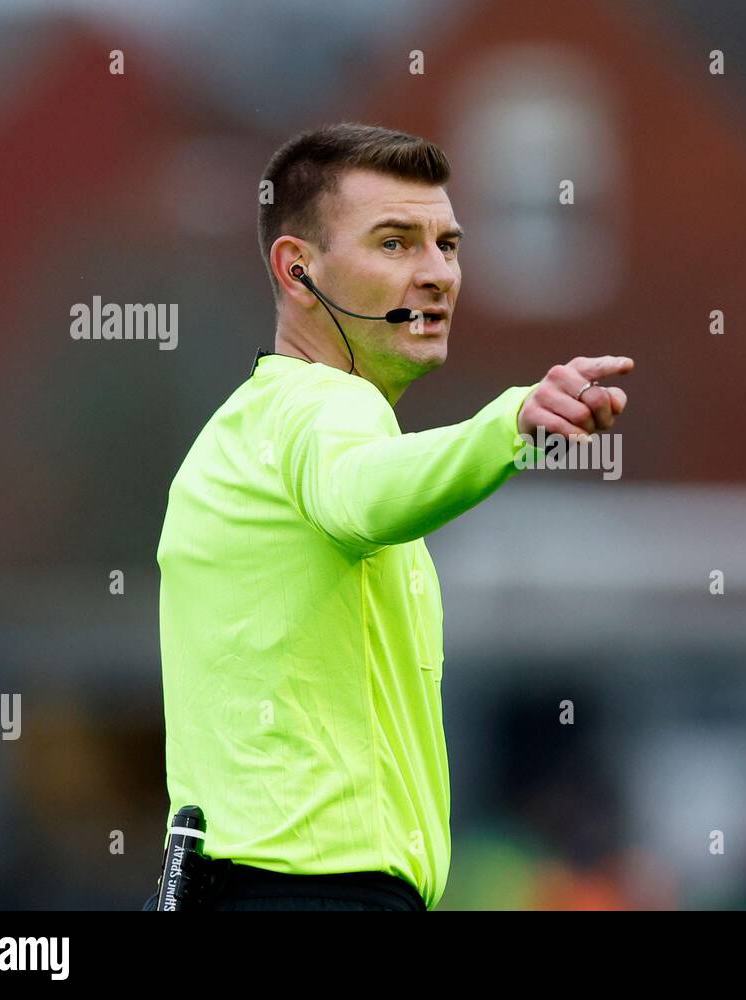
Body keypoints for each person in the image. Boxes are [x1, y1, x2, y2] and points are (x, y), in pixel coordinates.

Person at [142, 122, 633, 911]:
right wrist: (511, 426)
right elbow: (365, 492)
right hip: (311, 897)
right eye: (397, 243)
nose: (438, 273)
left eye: (449, 244)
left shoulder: (252, 425)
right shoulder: (320, 410)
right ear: (298, 273)